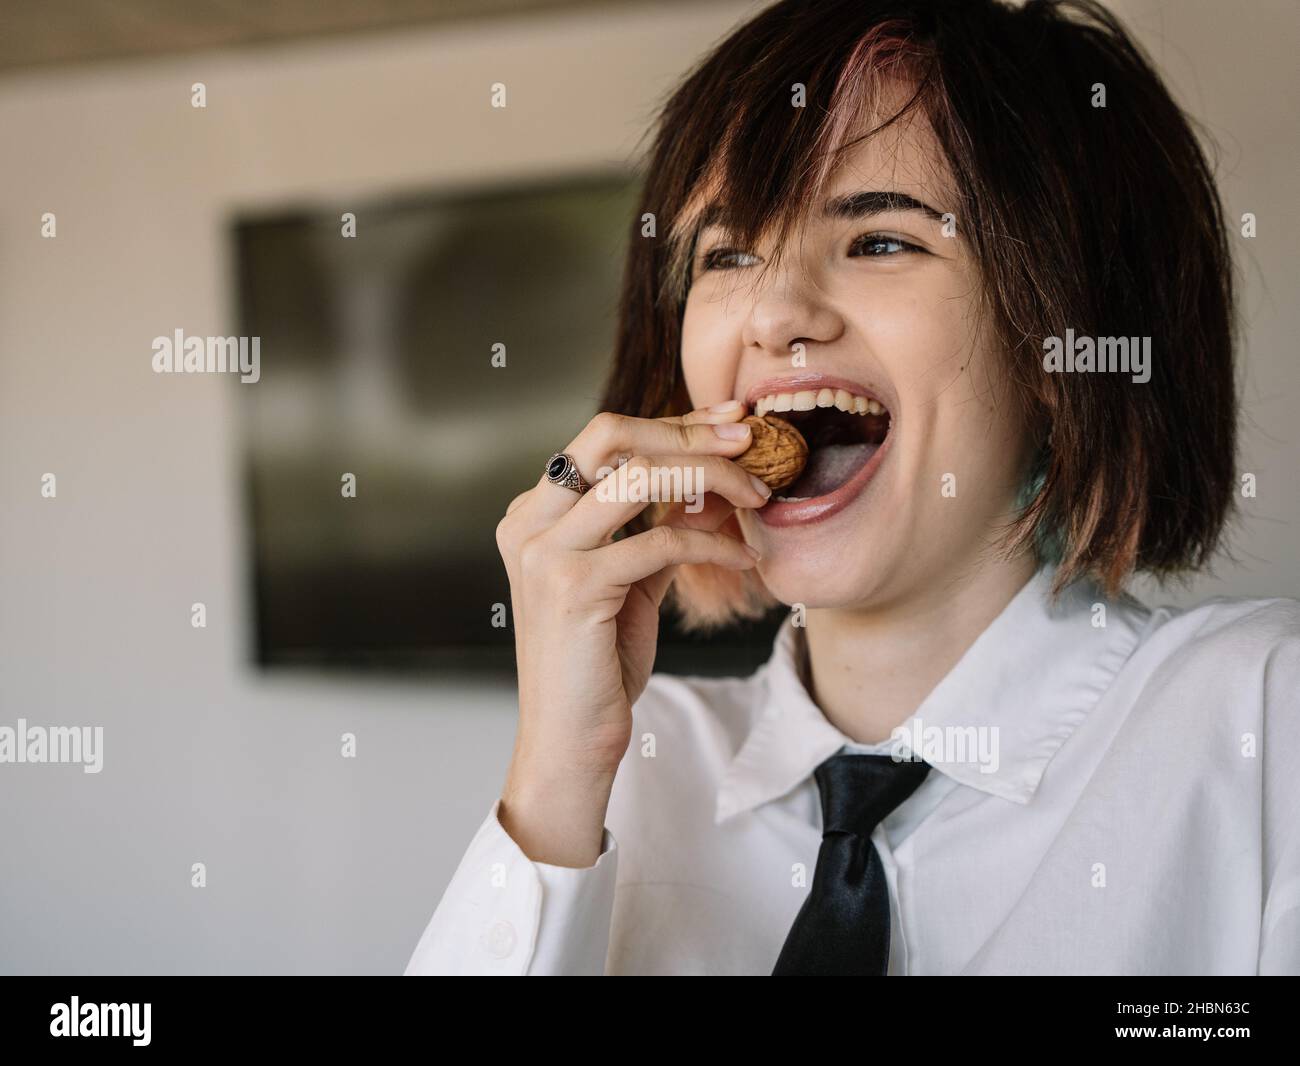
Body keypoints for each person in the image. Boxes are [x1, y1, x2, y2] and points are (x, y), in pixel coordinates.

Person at [405, 0, 1300, 975]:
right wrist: (552, 781)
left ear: (1060, 341)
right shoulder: (634, 758)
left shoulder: (1260, 724)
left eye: (881, 240)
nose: (774, 313)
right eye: (727, 254)